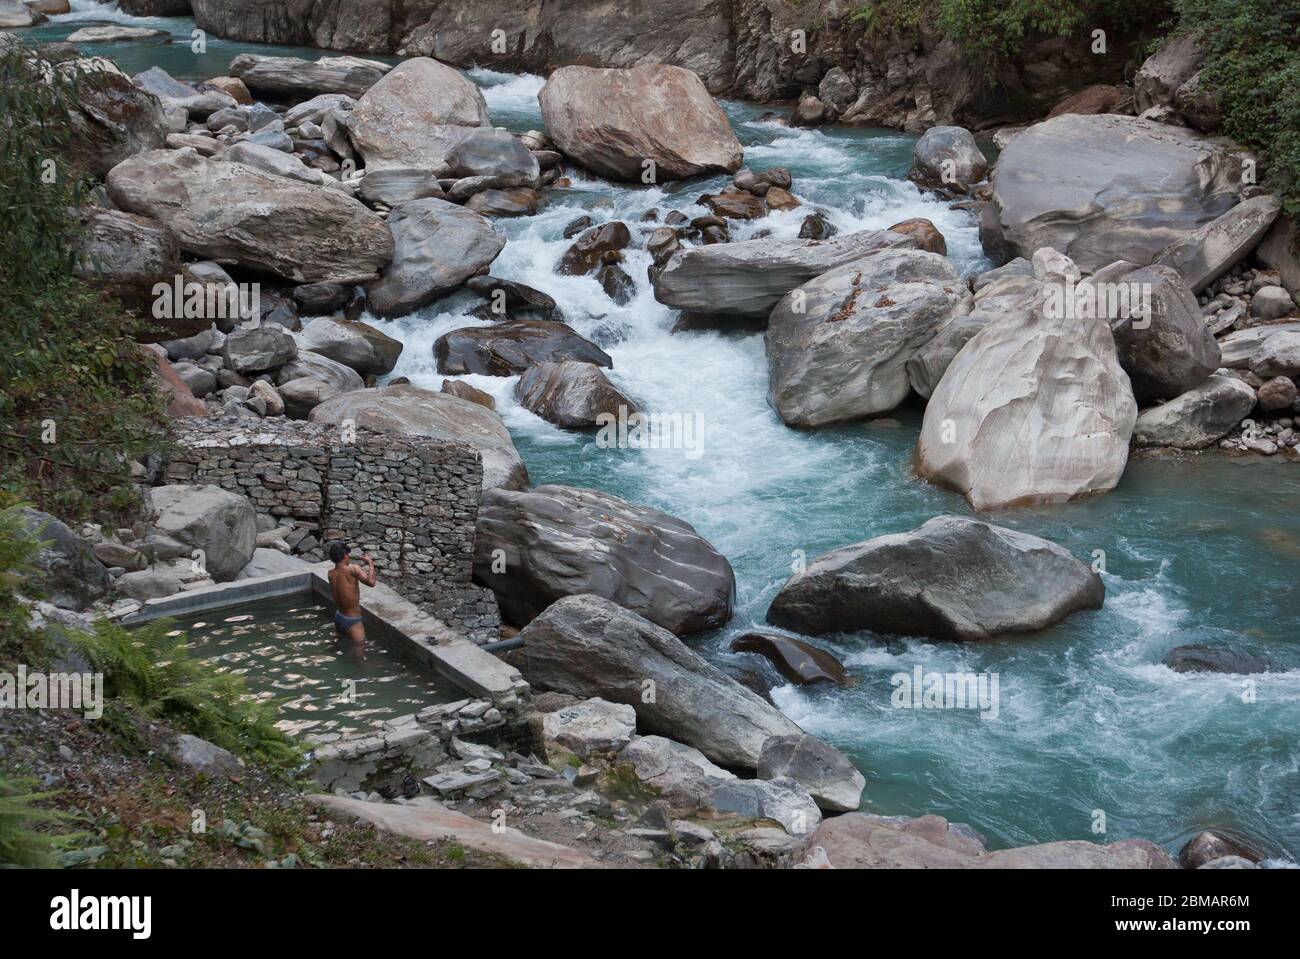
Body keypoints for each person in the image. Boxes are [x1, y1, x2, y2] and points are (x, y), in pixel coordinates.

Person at [327, 541, 376, 660]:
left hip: (339, 617)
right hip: (353, 622)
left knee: (336, 645)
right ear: (344, 555)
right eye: (348, 555)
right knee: (360, 655)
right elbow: (371, 582)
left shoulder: (331, 573)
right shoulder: (353, 569)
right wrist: (370, 563)